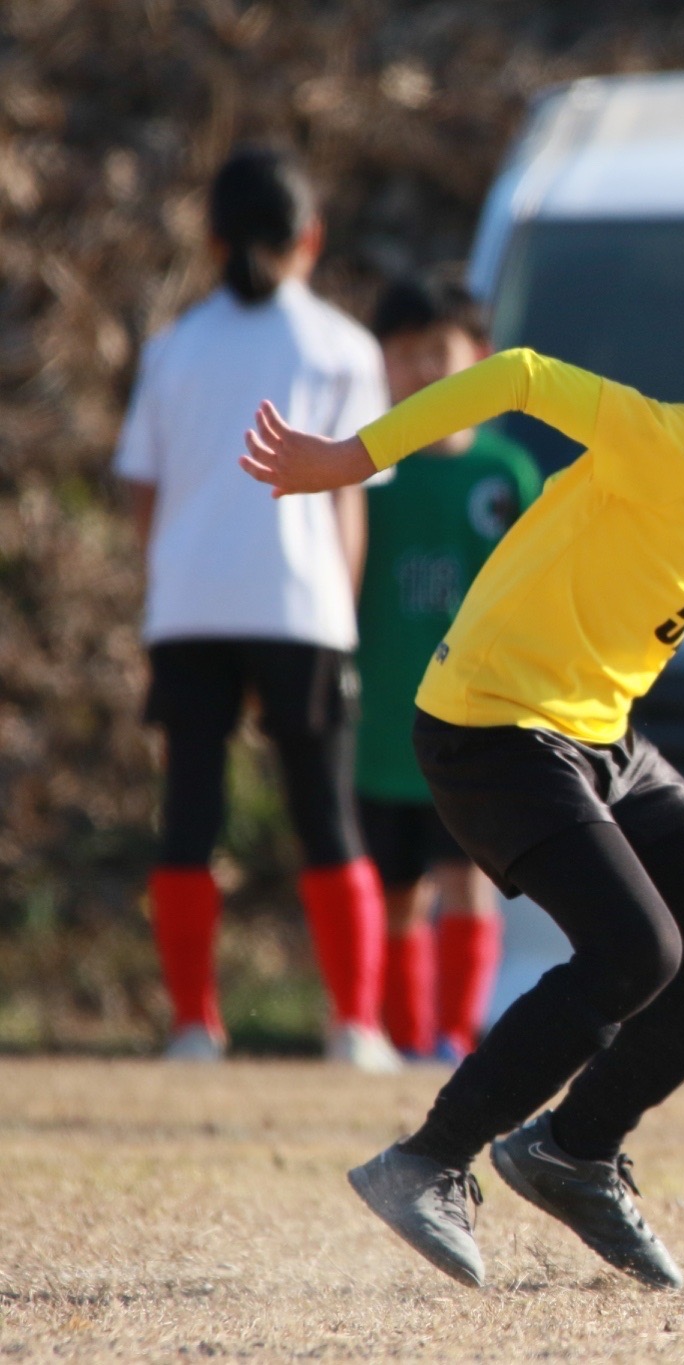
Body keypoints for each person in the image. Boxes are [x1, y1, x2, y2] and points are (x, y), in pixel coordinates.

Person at [238, 219, 684, 1291]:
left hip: (595, 735)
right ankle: (428, 1160)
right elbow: (519, 373)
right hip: (492, 724)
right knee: (636, 950)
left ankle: (572, 1152)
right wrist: (347, 462)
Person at [114, 146, 397, 1071]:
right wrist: (340, 605)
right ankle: (354, 1024)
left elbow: (144, 491)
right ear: (312, 239)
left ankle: (194, 1026)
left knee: (190, 813)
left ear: (210, 238)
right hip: (301, 602)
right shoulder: (344, 348)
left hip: (189, 604)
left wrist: (167, 579)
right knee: (324, 814)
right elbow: (352, 496)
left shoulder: (172, 347)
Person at [359, 273, 541, 1062]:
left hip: (476, 722)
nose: (426, 371)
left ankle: (457, 1036)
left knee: (469, 879)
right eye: (405, 354)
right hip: (379, 724)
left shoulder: (504, 473)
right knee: (397, 891)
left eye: (440, 350)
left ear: (482, 357)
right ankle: (398, 1035)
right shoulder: (369, 469)